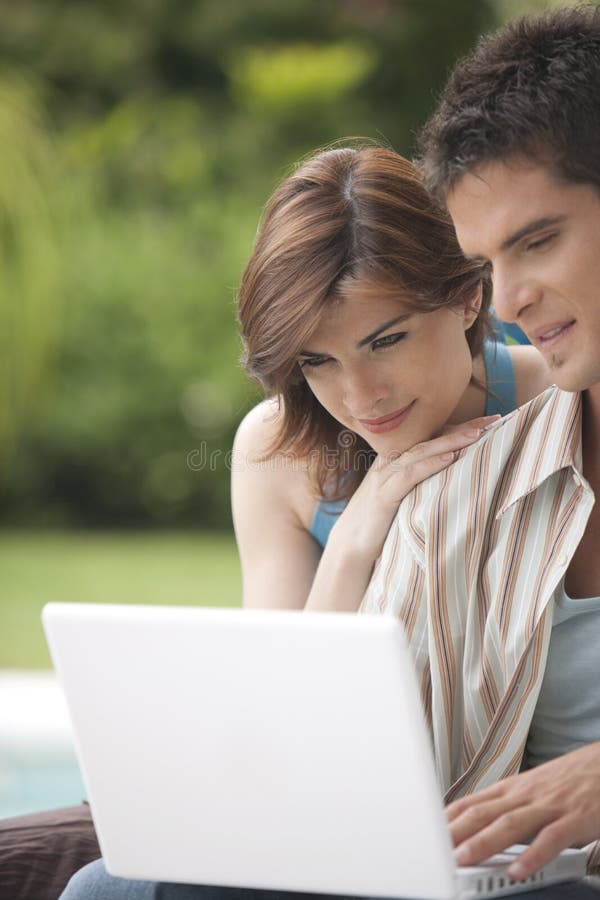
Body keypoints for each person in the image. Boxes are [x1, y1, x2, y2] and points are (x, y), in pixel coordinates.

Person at [56, 146, 550, 899]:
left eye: (386, 340)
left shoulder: (556, 406)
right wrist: (357, 535)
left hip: (491, 838)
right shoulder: (277, 451)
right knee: (96, 879)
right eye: (317, 362)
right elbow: (275, 736)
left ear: (467, 298)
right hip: (330, 817)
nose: (361, 397)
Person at [361, 2, 600, 885]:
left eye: (538, 241)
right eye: (487, 264)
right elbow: (354, 782)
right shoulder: (464, 498)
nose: (507, 304)